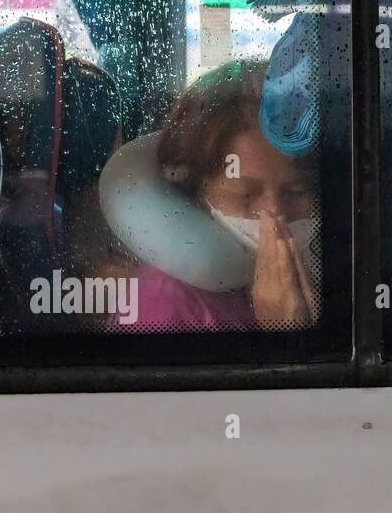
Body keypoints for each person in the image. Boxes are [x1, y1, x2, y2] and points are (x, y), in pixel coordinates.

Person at [122, 60, 320, 331]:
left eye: (296, 191)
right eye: (246, 195)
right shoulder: (164, 304)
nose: (275, 216)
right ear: (197, 193)